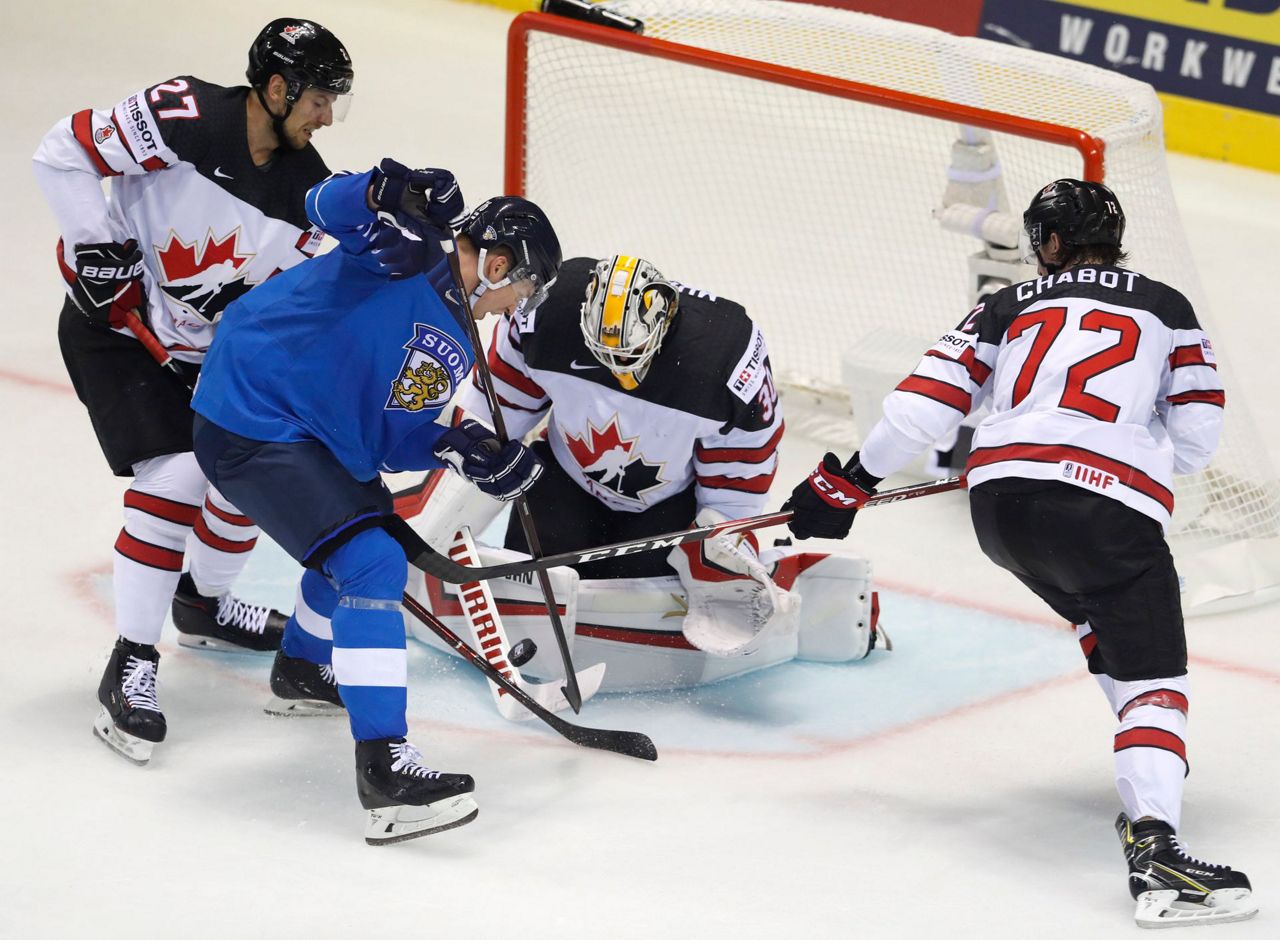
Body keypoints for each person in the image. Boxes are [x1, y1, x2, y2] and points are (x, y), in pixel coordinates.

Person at [783, 179, 1256, 927]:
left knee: (1098, 624)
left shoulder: (1008, 305)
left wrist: (852, 484)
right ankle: (1157, 850)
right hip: (1105, 516)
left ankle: (1147, 765)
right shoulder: (1167, 307)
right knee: (1155, 683)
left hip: (1000, 510)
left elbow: (919, 405)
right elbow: (1197, 443)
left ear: (1053, 243)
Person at [191, 166, 562, 844]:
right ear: (500, 262)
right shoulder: (408, 249)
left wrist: (463, 447)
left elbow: (391, 440)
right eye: (521, 290)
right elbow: (319, 205)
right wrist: (383, 189)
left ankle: (302, 666)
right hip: (251, 413)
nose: (515, 307)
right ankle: (385, 769)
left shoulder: (456, 337)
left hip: (312, 438)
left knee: (365, 542)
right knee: (368, 566)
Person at [32, 18, 354, 764]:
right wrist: (94, 246)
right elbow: (63, 150)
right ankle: (133, 660)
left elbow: (302, 304)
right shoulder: (183, 116)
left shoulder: (309, 193)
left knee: (247, 466)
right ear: (276, 89)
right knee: (178, 473)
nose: (327, 117)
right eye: (318, 99)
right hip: (113, 333)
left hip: (203, 362)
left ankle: (203, 604)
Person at [407, 253, 882, 678]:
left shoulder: (726, 362)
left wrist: (722, 541)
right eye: (603, 357)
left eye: (629, 358)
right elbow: (493, 416)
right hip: (560, 484)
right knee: (534, 587)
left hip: (665, 513)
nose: (619, 374)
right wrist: (466, 476)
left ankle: (772, 575)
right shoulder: (544, 312)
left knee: (641, 601)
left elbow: (737, 480)